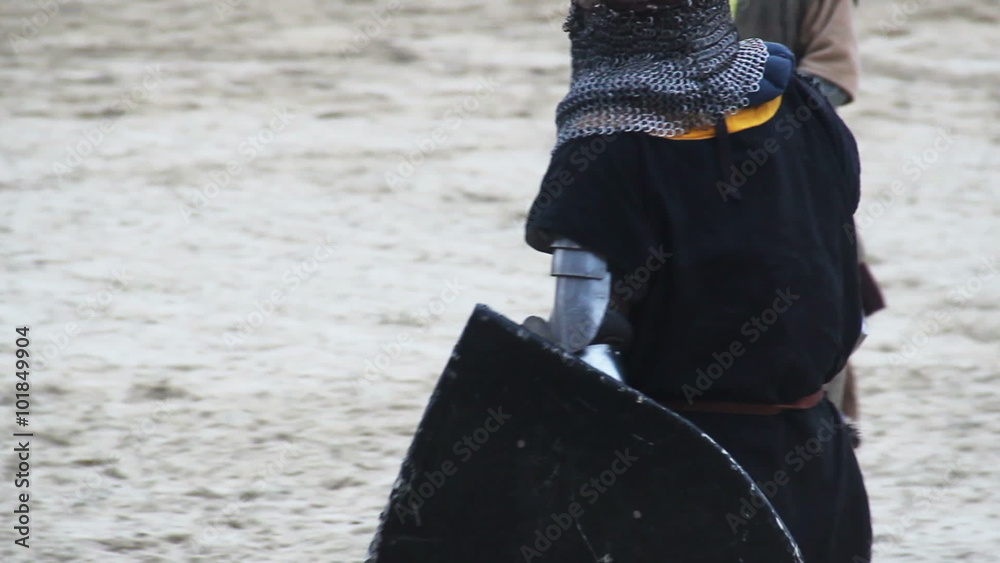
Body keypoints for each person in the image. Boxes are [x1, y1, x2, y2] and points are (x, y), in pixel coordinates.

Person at [523, 1, 872, 560]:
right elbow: (838, 277)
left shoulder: (603, 149)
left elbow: (580, 340)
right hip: (820, 464)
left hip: (683, 471)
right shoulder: (805, 107)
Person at [732, 0, 887, 434]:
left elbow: (833, 73)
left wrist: (744, 128)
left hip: (791, 189)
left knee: (813, 352)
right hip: (679, 183)